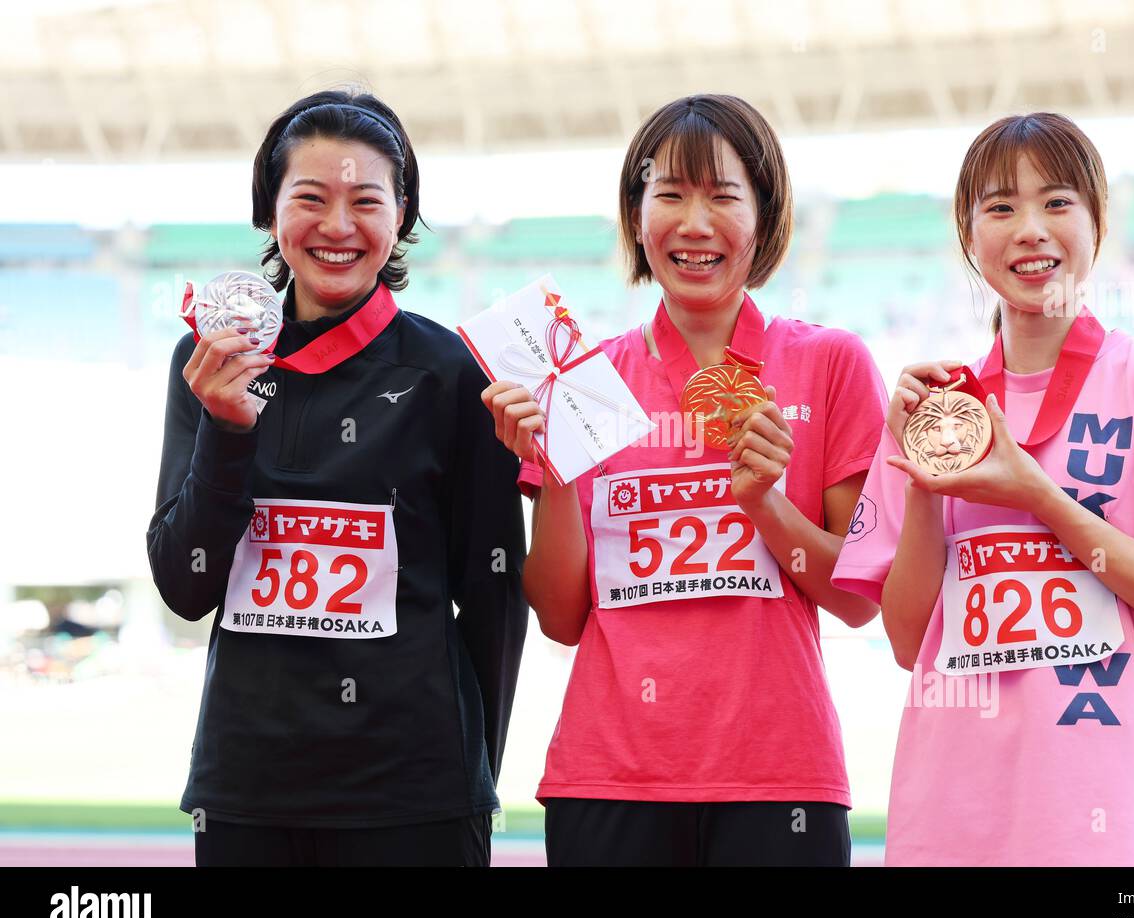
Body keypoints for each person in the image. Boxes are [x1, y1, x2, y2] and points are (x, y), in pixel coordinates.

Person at [482, 94, 889, 866]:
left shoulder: (831, 363)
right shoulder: (582, 381)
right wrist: (564, 462)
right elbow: (562, 618)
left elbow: (856, 597)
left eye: (723, 196)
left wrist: (765, 505)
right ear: (637, 216)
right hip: (609, 781)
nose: (695, 224)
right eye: (669, 193)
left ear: (765, 218)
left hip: (780, 782)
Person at [832, 113, 1134, 865]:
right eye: (999, 207)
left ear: (1098, 221)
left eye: (1056, 203)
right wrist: (926, 483)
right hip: (950, 821)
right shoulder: (934, 408)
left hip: (1114, 823)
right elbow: (905, 640)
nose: (1029, 229)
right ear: (967, 232)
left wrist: (1041, 495)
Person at [146, 89, 527, 866]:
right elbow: (185, 587)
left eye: (366, 200)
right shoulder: (211, 364)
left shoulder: (454, 373)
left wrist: (471, 771)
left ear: (402, 215)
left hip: (416, 798)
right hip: (247, 790)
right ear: (270, 210)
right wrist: (225, 434)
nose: (338, 227)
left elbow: (494, 597)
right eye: (310, 198)